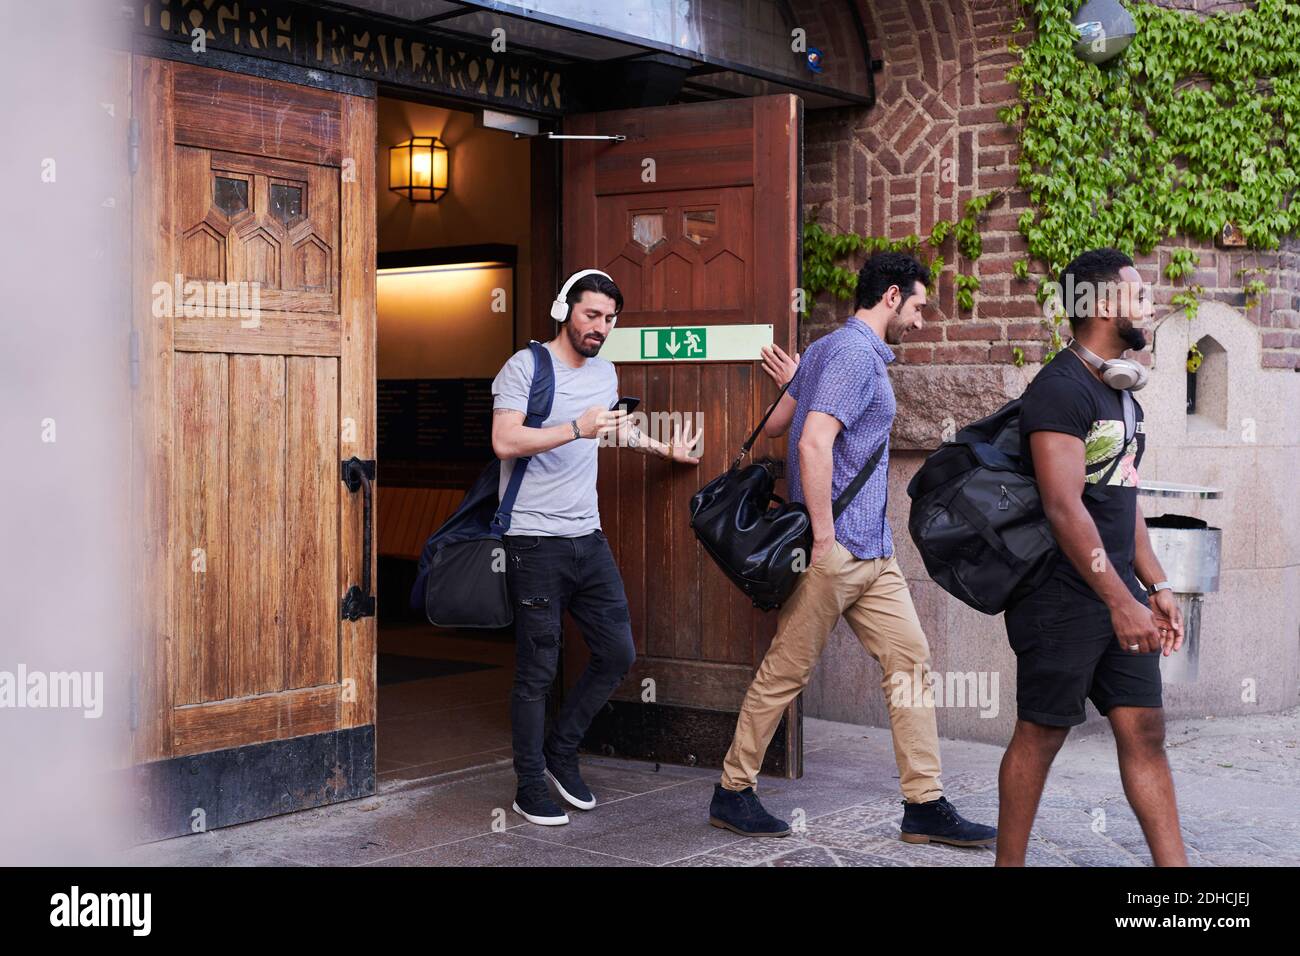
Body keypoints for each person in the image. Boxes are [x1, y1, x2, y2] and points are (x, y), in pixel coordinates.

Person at [707, 252, 997, 847]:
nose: (919, 321)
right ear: (891, 297)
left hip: (874, 554)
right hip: (836, 548)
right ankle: (734, 792)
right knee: (787, 670)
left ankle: (924, 803)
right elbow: (810, 444)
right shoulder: (850, 355)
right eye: (917, 306)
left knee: (910, 663)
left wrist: (799, 382)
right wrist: (821, 536)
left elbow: (775, 427)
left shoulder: (824, 353)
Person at [996, 247, 1187, 866]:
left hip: (1117, 595)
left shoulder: (1123, 395)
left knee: (1145, 731)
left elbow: (1123, 496)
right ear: (1104, 305)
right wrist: (1118, 601)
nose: (1150, 305)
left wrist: (1152, 583)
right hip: (1060, 594)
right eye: (1139, 295)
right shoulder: (1058, 390)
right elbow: (1064, 506)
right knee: (1043, 732)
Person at [491, 269, 701, 826]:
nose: (600, 328)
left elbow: (613, 430)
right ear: (565, 309)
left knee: (618, 652)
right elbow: (505, 439)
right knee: (537, 669)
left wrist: (664, 450)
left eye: (609, 319)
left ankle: (562, 751)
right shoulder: (526, 366)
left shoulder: (605, 371)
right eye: (591, 315)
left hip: (588, 537)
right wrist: (573, 429)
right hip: (533, 541)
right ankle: (529, 782)